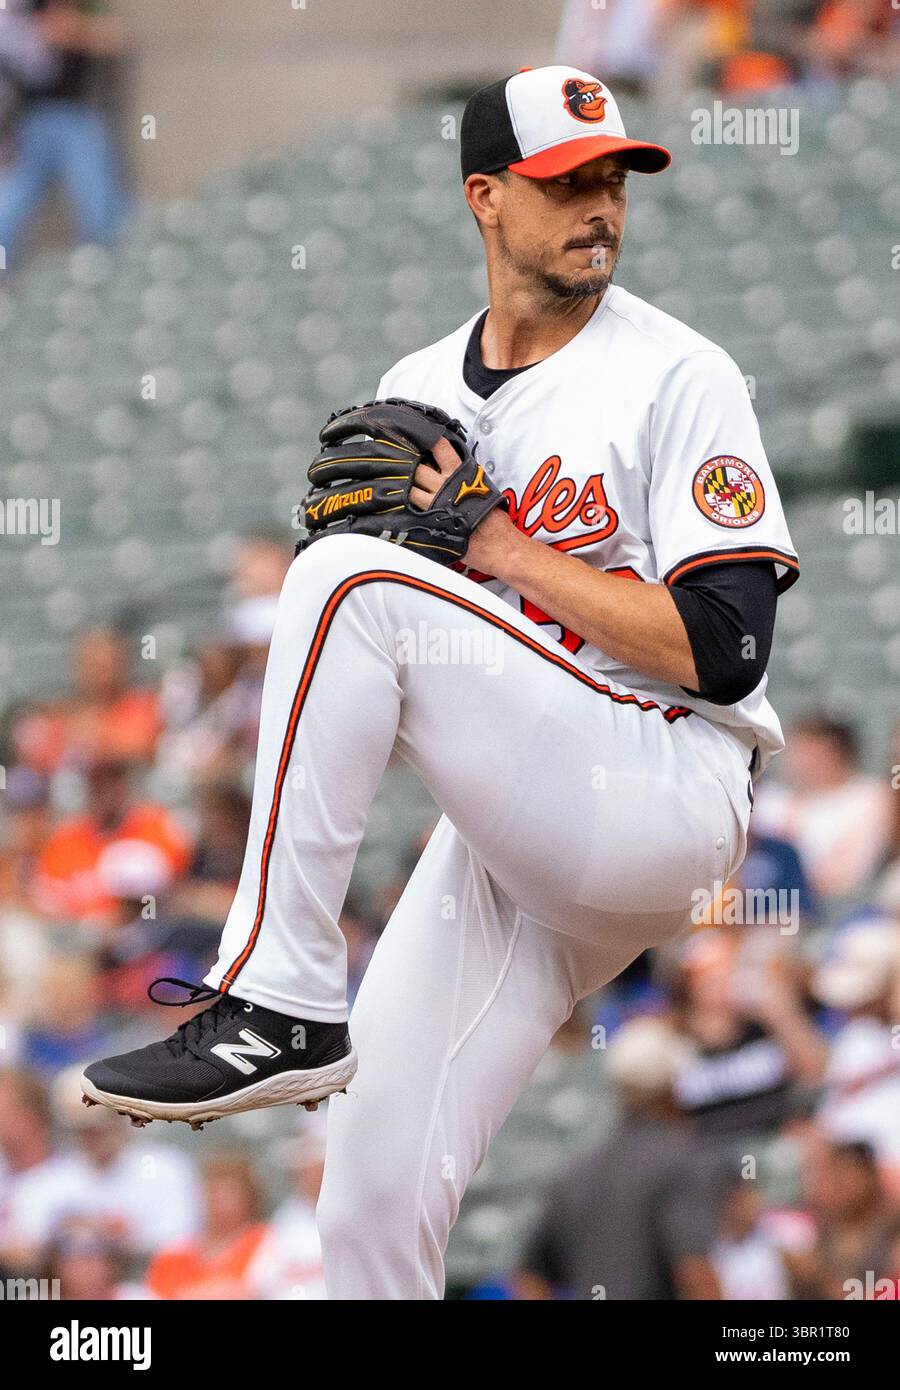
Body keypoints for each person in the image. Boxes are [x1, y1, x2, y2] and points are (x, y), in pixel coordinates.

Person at [82, 64, 799, 1300]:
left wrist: (499, 547)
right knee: (364, 1193)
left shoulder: (681, 375)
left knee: (350, 581)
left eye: (615, 179)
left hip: (665, 784)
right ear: (486, 198)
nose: (601, 207)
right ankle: (294, 1018)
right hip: (515, 829)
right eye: (567, 182)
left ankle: (280, 998)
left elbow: (731, 644)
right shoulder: (419, 384)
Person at [516, 1017, 729, 1299]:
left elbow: (529, 1276)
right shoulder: (681, 1161)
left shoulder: (575, 1172)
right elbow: (694, 1272)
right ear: (670, 1090)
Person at [0, 0, 128, 268]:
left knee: (101, 204)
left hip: (77, 115)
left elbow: (114, 38)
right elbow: (41, 45)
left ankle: (102, 271)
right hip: (34, 119)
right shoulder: (25, 9)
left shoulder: (89, 8)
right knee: (10, 203)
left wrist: (76, 30)